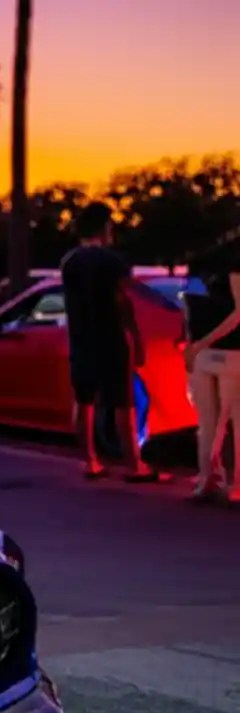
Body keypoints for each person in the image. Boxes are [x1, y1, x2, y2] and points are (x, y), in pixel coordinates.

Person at [60, 203, 162, 483]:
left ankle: (90, 461)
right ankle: (134, 465)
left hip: (80, 340)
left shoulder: (70, 261)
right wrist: (136, 337)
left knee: (83, 402)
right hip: (111, 338)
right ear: (105, 228)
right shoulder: (112, 262)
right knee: (122, 403)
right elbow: (124, 300)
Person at [184, 239, 240, 504]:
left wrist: (194, 345)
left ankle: (206, 480)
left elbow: (188, 311)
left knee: (207, 423)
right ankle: (235, 485)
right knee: (237, 421)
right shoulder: (235, 264)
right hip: (233, 351)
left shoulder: (199, 265)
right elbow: (239, 314)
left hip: (202, 351)